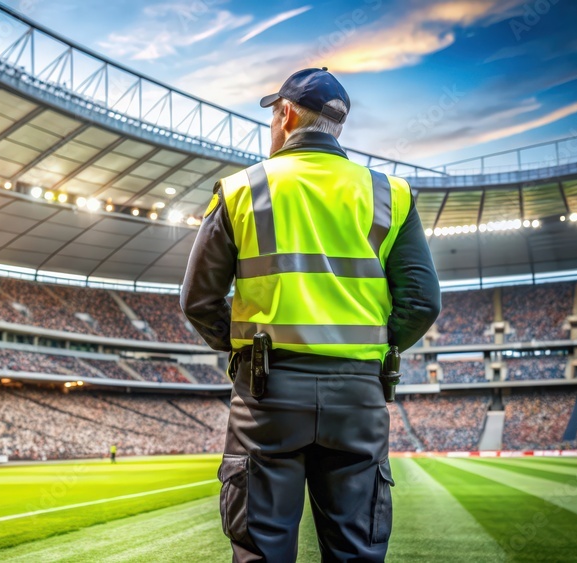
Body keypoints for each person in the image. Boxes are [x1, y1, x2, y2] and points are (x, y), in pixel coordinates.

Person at [180, 68, 440, 562]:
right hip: (358, 398)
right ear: (336, 124)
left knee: (262, 550)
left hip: (268, 393)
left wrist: (241, 348)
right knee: (355, 553)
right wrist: (369, 349)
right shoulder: (389, 193)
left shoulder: (242, 189)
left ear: (285, 113)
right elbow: (423, 302)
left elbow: (198, 299)